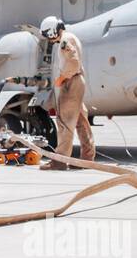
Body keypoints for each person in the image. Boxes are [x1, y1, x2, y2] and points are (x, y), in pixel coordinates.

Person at [39, 15, 95, 170]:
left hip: (71, 82)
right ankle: (87, 159)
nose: (49, 40)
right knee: (81, 122)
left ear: (51, 32)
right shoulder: (71, 37)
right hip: (78, 81)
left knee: (64, 123)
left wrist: (61, 78)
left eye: (48, 36)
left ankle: (60, 161)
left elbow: (73, 61)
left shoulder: (64, 40)